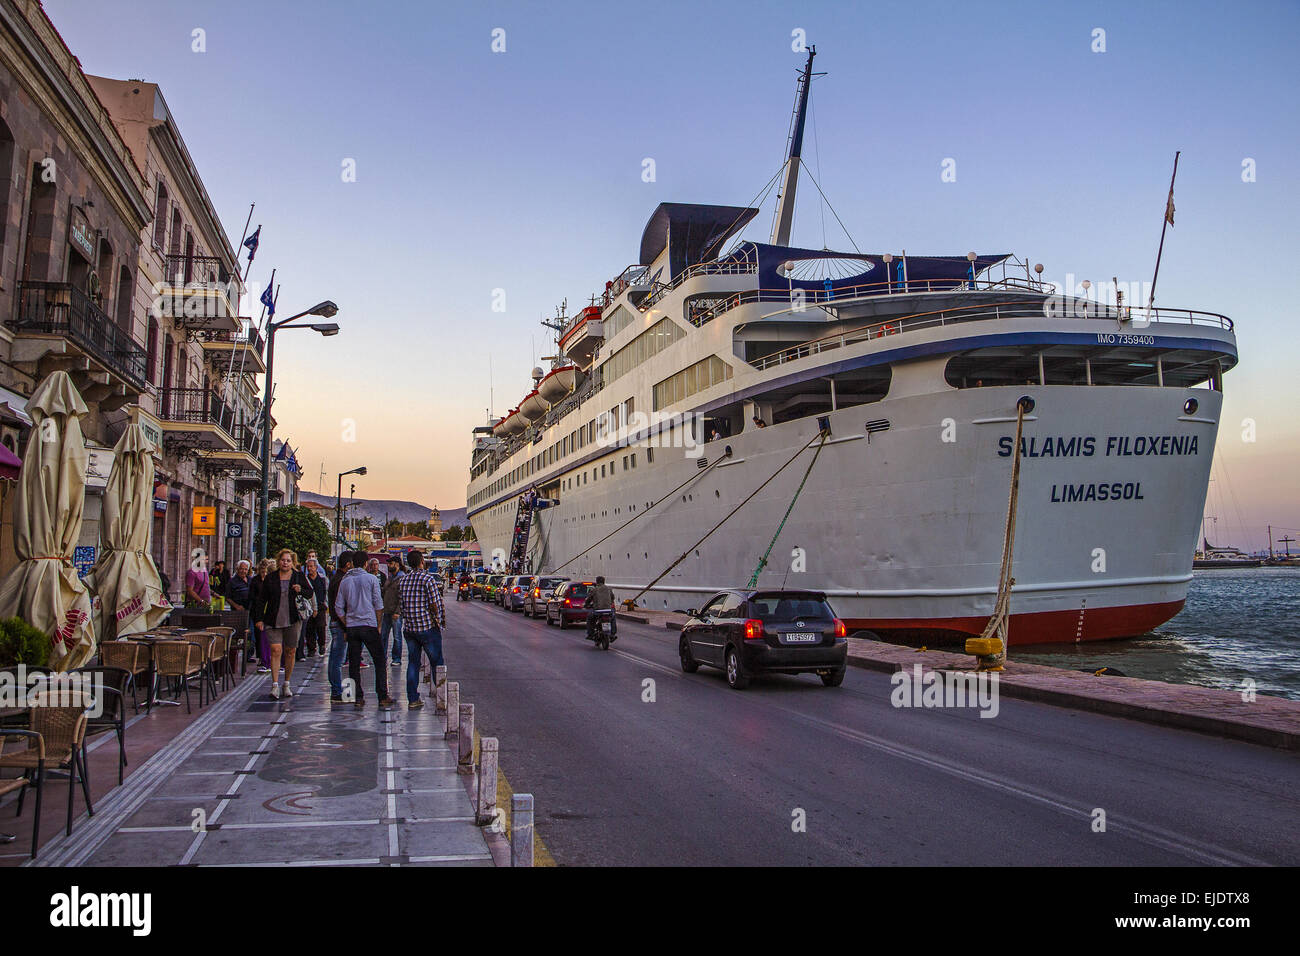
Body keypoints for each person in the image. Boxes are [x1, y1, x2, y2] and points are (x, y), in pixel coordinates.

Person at [336, 549, 393, 709]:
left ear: (353, 563)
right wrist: (379, 624)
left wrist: (347, 623)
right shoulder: (371, 579)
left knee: (354, 663)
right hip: (369, 624)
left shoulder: (345, 581)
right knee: (379, 660)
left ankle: (357, 697)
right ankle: (382, 695)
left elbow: (338, 608)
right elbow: (378, 604)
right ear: (366, 563)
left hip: (352, 627)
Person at [256, 549, 311, 699]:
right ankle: (274, 685)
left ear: (293, 563)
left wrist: (301, 590)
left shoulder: (299, 577)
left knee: (290, 651)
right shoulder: (271, 578)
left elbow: (310, 593)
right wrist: (259, 619)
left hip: (292, 619)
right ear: (278, 561)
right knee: (275, 649)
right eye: (282, 560)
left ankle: (286, 683)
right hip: (273, 619)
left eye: (288, 560)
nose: (285, 563)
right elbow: (262, 599)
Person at [397, 550, 446, 709]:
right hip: (427, 627)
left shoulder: (403, 580)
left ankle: (412, 698)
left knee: (413, 663)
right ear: (421, 562)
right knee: (437, 663)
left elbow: (402, 605)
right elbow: (434, 603)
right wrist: (437, 619)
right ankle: (442, 698)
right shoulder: (427, 579)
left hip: (410, 628)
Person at [326, 551, 353, 702]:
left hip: (336, 622)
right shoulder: (341, 580)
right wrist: (346, 627)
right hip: (339, 624)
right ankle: (336, 691)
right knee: (337, 660)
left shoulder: (337, 578)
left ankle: (336, 688)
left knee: (335, 659)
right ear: (348, 564)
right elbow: (339, 607)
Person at [249, 558, 274, 673]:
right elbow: (252, 596)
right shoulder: (255, 580)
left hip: (270, 613)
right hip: (259, 612)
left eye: (266, 572)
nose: (264, 574)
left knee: (269, 638)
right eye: (262, 571)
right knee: (260, 637)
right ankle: (263, 659)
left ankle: (269, 660)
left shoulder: (271, 581)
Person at [302, 556, 330, 657]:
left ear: (316, 567)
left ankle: (322, 644)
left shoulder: (322, 579)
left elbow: (327, 591)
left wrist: (326, 603)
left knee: (321, 626)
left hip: (321, 606)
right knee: (309, 628)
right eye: (308, 567)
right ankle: (311, 648)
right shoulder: (305, 579)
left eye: (311, 566)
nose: (309, 568)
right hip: (309, 608)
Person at [382, 556, 405, 667]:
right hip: (386, 611)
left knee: (397, 636)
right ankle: (382, 657)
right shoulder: (390, 578)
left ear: (397, 564)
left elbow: (402, 597)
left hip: (395, 613)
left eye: (390, 563)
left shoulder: (402, 578)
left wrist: (398, 611)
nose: (388, 565)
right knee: (383, 636)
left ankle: (396, 658)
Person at [586, 574, 617, 641]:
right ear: (604, 582)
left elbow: (588, 599)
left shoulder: (594, 589)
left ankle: (590, 634)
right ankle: (613, 634)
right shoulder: (609, 589)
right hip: (608, 610)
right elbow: (613, 597)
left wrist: (586, 605)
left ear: (597, 582)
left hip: (598, 611)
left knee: (589, 618)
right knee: (613, 618)